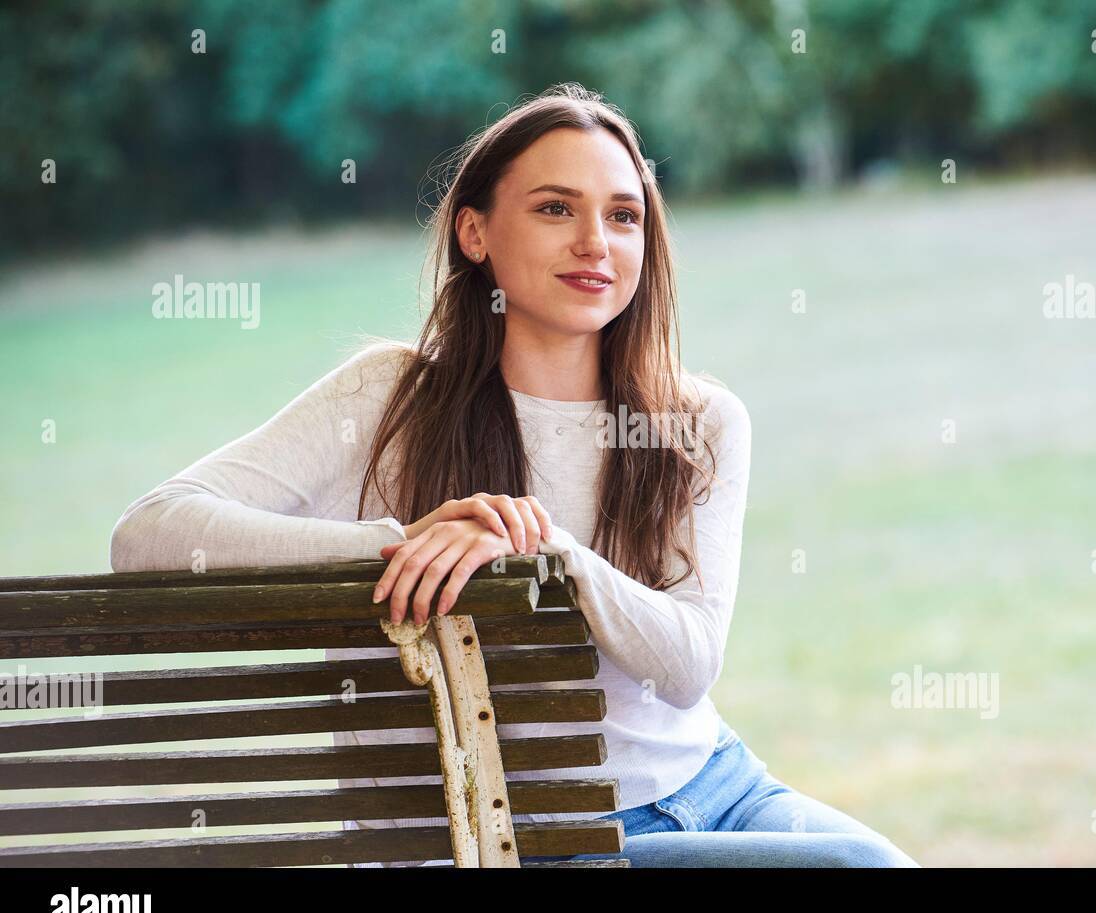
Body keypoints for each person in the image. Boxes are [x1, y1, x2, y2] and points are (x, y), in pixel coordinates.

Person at [109, 82, 918, 868]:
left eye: (623, 215)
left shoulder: (700, 421)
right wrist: (402, 546)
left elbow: (689, 665)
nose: (595, 242)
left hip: (710, 790)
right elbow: (150, 531)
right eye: (555, 208)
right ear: (475, 232)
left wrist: (555, 554)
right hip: (493, 838)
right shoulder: (387, 395)